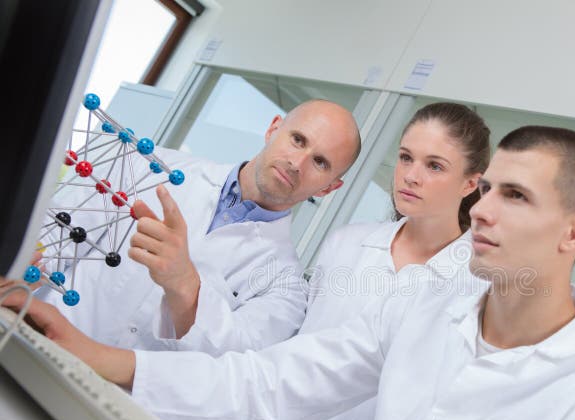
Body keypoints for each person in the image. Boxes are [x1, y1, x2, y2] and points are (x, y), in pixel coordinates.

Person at [8, 125, 575, 420]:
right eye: (487, 191)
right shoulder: (426, 305)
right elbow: (276, 381)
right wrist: (105, 359)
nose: (480, 210)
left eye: (515, 197)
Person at [225, 102, 492, 420]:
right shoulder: (346, 243)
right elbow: (293, 347)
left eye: (434, 166)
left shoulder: (476, 287)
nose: (411, 176)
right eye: (405, 158)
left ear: (471, 184)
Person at [38, 99, 361, 354]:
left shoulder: (284, 287)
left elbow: (230, 368)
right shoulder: (151, 167)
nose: (297, 162)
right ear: (273, 128)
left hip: (111, 406)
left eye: (320, 162)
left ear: (328, 188)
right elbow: (52, 231)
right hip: (35, 335)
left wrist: (186, 286)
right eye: (298, 139)